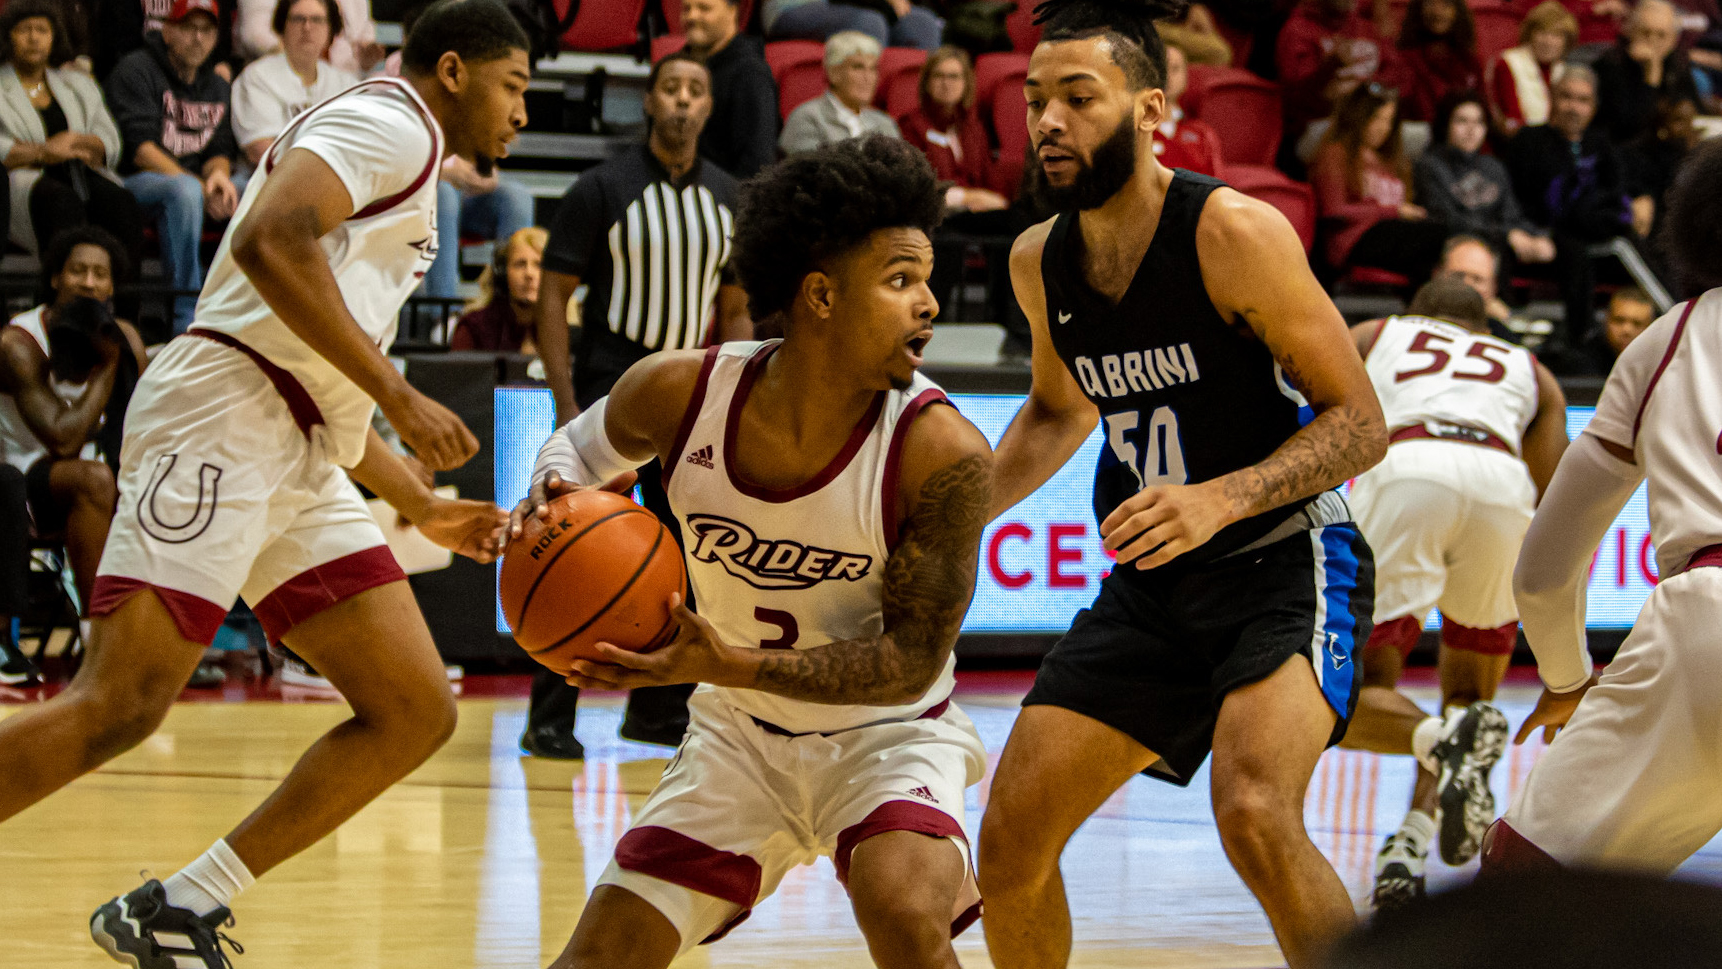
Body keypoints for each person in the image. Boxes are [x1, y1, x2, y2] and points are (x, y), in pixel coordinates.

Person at [0, 4, 522, 967]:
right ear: (454, 70)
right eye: (516, 85)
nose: (524, 113)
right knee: (119, 703)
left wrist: (421, 506)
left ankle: (180, 902)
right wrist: (402, 393)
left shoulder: (397, 154)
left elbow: (323, 375)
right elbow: (267, 243)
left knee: (413, 704)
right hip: (226, 415)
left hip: (294, 434)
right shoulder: (395, 123)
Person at [973, 0, 1389, 966]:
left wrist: (1224, 494)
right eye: (1036, 100)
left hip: (1283, 558)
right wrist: (951, 526)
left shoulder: (1233, 232)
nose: (1047, 122)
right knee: (1010, 839)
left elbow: (1361, 423)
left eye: (1079, 98)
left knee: (1251, 809)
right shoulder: (1041, 259)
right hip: (1155, 590)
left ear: (1151, 108)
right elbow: (1054, 411)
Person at [517, 133, 993, 969]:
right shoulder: (679, 392)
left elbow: (910, 663)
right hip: (737, 742)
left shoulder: (939, 451)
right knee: (595, 958)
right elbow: (572, 454)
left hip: (887, 740)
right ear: (819, 295)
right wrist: (554, 510)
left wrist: (722, 659)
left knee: (903, 911)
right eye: (900, 280)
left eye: (926, 280)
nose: (929, 305)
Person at [1480, 138, 1722, 878]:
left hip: (1707, 627)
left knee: (1522, 894)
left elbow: (1545, 570)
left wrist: (1566, 680)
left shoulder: (1672, 339)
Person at [528, 51, 750, 760]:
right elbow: (554, 295)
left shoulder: (729, 197)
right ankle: (550, 715)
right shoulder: (602, 186)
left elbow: (736, 309)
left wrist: (731, 392)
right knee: (575, 545)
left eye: (695, 91)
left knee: (687, 545)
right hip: (612, 376)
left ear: (708, 108)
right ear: (649, 102)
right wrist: (568, 403)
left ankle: (657, 710)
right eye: (670, 88)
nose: (682, 101)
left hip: (688, 386)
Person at [1337, 277, 1569, 910]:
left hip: (1408, 467)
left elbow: (1310, 405)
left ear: (1418, 316)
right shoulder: (1530, 369)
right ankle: (1410, 840)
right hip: (1503, 484)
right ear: (1485, 333)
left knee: (1357, 694)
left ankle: (1435, 754)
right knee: (1471, 698)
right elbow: (1558, 500)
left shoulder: (1378, 333)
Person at [0, 228, 149, 687]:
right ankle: (98, 641)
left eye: (99, 274)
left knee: (154, 487)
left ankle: (150, 639)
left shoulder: (124, 335)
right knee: (94, 480)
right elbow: (61, 439)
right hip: (20, 476)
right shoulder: (19, 343)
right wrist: (107, 365)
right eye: (77, 271)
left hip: (91, 470)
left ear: (111, 288)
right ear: (54, 280)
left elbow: (141, 418)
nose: (88, 282)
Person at [105, 0, 243, 334]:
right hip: (132, 184)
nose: (198, 39)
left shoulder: (216, 85)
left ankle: (244, 318)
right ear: (167, 31)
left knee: (249, 188)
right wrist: (199, 184)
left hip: (190, 185)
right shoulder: (136, 69)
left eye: (207, 30)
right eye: (188, 28)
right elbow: (140, 149)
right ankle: (187, 318)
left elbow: (219, 146)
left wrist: (218, 178)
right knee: (184, 192)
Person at [0, 0, 145, 275]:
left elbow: (109, 136)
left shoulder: (76, 82)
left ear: (54, 37)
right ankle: (60, 302)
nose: (34, 38)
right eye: (24, 30)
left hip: (80, 169)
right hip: (24, 177)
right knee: (61, 202)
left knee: (121, 203)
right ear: (8, 36)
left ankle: (126, 311)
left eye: (42, 30)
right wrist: (43, 152)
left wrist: (82, 142)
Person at [1504, 66, 1632, 344]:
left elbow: (1616, 191)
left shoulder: (1601, 144)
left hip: (1594, 229)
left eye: (1583, 100)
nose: (1574, 107)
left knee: (1638, 242)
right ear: (1551, 99)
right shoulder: (1528, 141)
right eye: (1567, 97)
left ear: (1594, 107)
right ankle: (1580, 339)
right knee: (1574, 251)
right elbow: (1517, 199)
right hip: (1542, 234)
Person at [1309, 81, 1449, 285]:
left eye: (1389, 120)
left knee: (1435, 251)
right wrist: (1394, 211)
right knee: (1435, 237)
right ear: (1358, 117)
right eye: (1376, 119)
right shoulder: (1336, 153)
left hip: (1392, 237)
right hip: (1355, 240)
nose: (1384, 128)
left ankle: (1426, 309)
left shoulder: (1392, 161)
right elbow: (1334, 210)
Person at [1413, 91, 1555, 269]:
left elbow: (1511, 216)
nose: (1471, 130)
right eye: (1462, 121)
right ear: (1445, 125)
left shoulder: (1493, 167)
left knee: (1563, 248)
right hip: (1454, 246)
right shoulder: (1429, 165)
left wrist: (1539, 237)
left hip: (1500, 242)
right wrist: (1506, 236)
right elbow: (1448, 220)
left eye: (1479, 122)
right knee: (1494, 250)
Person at [230, 0, 359, 169]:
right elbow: (262, 151)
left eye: (317, 20)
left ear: (331, 30)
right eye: (298, 19)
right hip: (268, 182)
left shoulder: (346, 83)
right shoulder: (257, 77)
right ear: (282, 26)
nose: (307, 27)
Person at [1276, 0, 1406, 156]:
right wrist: (1331, 65)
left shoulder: (1365, 29)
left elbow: (1397, 76)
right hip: (1312, 129)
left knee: (1410, 135)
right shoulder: (1298, 29)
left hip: (1363, 124)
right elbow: (1296, 98)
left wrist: (1368, 87)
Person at [898, 46, 1008, 212]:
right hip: (937, 216)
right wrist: (967, 197)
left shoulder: (974, 127)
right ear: (927, 83)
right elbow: (917, 188)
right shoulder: (910, 125)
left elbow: (990, 181)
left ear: (966, 83)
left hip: (978, 215)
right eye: (939, 76)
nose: (946, 83)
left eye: (954, 77)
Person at [682, 0, 778, 180]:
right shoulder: (677, 64)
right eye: (686, 8)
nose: (691, 16)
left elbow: (756, 164)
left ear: (732, 11)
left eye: (704, 8)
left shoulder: (751, 74)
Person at [1593, 0, 1700, 143]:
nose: (1652, 41)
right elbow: (1629, 127)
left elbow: (1693, 108)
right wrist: (1651, 77)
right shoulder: (1610, 65)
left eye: (1661, 35)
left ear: (1673, 39)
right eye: (1645, 32)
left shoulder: (1676, 63)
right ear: (1630, 31)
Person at [780, 31, 900, 156]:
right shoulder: (807, 118)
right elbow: (809, 170)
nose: (868, 77)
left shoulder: (884, 124)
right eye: (858, 67)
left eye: (873, 68)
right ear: (833, 73)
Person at [1485, 1, 1577, 137]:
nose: (1548, 41)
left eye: (1556, 35)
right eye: (1542, 33)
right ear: (1530, 34)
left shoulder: (1564, 70)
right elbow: (1511, 119)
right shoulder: (1508, 63)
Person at [450, 225, 542, 352]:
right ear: (503, 274)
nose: (529, 274)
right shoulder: (473, 329)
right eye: (520, 264)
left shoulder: (565, 333)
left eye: (539, 265)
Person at [1624, 94, 1700, 242]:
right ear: (1663, 124)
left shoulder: (1696, 154)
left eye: (1691, 121)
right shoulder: (1645, 155)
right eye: (1678, 120)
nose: (1685, 129)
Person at [236, 0, 380, 74]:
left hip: (347, 81)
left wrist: (367, 50)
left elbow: (364, 26)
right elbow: (255, 33)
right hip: (282, 78)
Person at [1396, 0, 1480, 122]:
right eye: (1430, 3)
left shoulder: (1470, 62)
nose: (1437, 12)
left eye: (1446, 4)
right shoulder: (1405, 59)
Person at [1152, 38, 1223, 175]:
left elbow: (1219, 186)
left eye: (1175, 69)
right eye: (1162, 68)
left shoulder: (1202, 134)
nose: (1168, 76)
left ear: (1186, 76)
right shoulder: (1135, 131)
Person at [762, 0, 943, 51]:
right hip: (794, 7)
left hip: (858, 6)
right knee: (870, 24)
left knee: (922, 23)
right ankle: (860, 109)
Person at [1573, 285, 1655, 373]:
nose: (1626, 330)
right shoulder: (1582, 362)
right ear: (1606, 320)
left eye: (1637, 323)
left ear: (1651, 327)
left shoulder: (1659, 363)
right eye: (1619, 320)